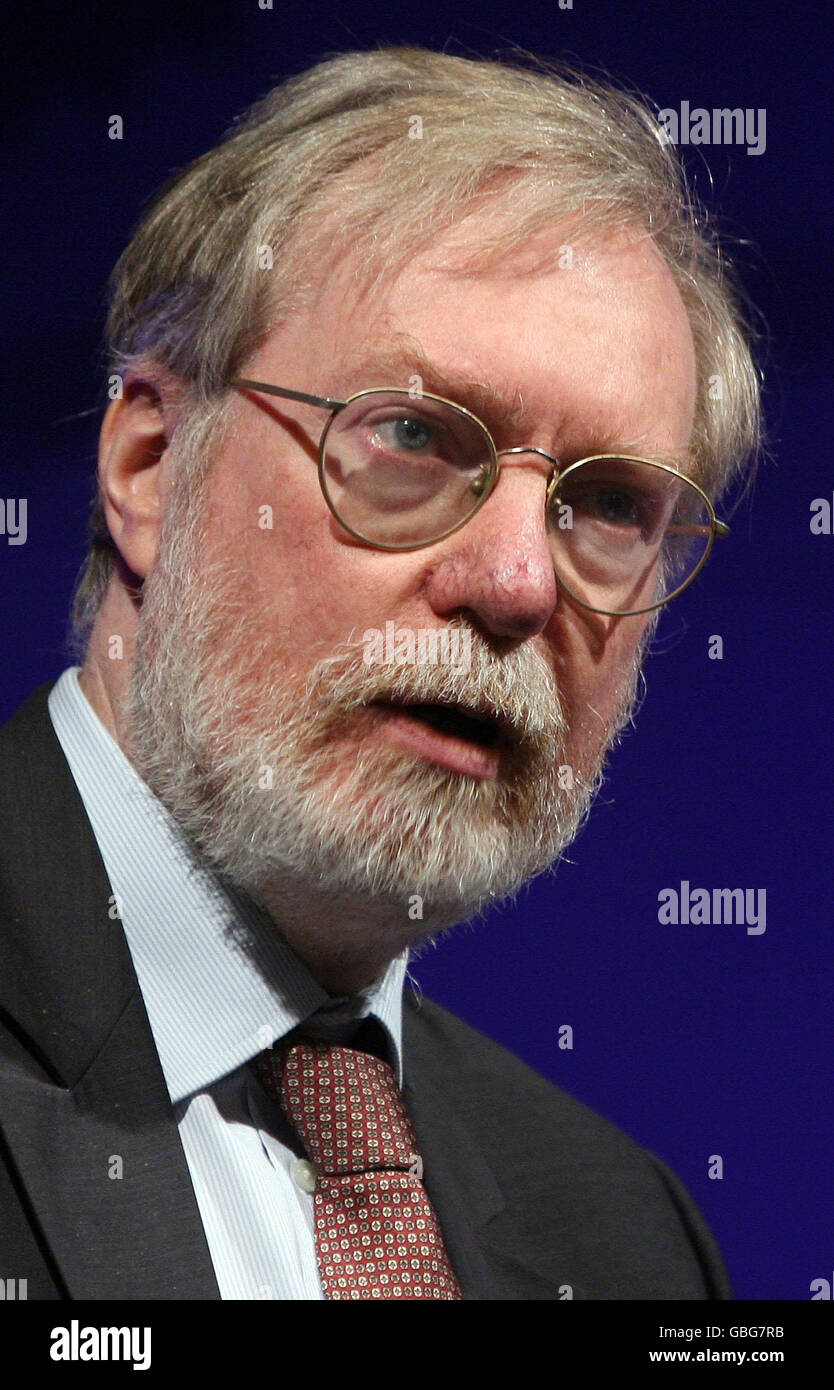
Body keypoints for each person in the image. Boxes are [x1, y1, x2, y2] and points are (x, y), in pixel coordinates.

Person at [0, 44, 760, 1300]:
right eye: (411, 435)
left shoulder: (629, 1241)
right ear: (149, 466)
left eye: (610, 502)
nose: (517, 583)